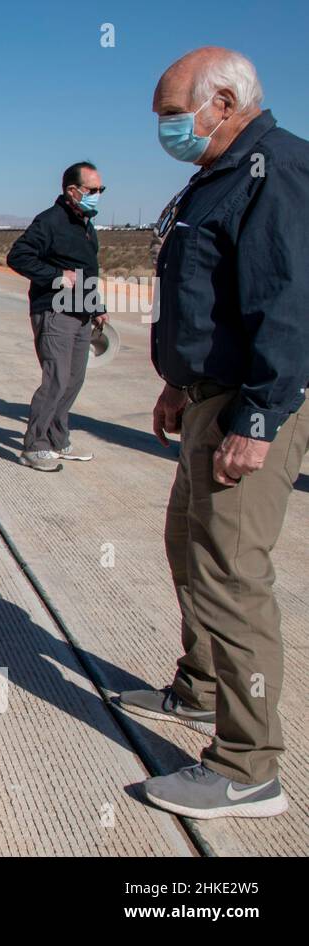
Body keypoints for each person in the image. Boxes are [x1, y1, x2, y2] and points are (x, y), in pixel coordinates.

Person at [117, 48, 309, 819]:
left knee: (230, 572)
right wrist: (176, 383)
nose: (165, 128)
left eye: (173, 113)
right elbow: (211, 297)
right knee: (186, 546)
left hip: (246, 407)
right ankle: (199, 690)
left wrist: (258, 418)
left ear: (223, 101)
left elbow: (289, 305)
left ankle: (246, 764)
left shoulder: (279, 170)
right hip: (205, 398)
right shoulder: (221, 173)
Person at [6, 162, 109, 472]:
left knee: (74, 379)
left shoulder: (86, 225)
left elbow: (86, 271)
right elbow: (18, 256)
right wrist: (55, 276)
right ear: (72, 191)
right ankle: (34, 446)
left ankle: (57, 440)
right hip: (54, 310)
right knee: (57, 379)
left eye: (101, 190)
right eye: (92, 190)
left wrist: (97, 305)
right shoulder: (50, 221)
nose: (97, 195)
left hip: (81, 312)